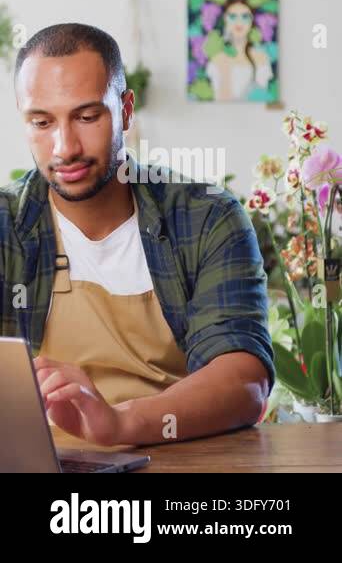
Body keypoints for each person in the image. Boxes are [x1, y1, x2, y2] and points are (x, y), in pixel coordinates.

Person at [0, 23, 274, 448]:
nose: (64, 147)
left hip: (175, 455)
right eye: (42, 122)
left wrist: (121, 423)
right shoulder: (5, 224)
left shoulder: (208, 217)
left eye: (87, 116)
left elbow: (245, 383)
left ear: (126, 110)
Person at [207, 0, 273, 101]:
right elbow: (220, 100)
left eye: (245, 16)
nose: (239, 22)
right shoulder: (217, 59)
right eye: (233, 16)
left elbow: (262, 99)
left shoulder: (261, 58)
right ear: (225, 19)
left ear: (252, 20)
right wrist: (225, 67)